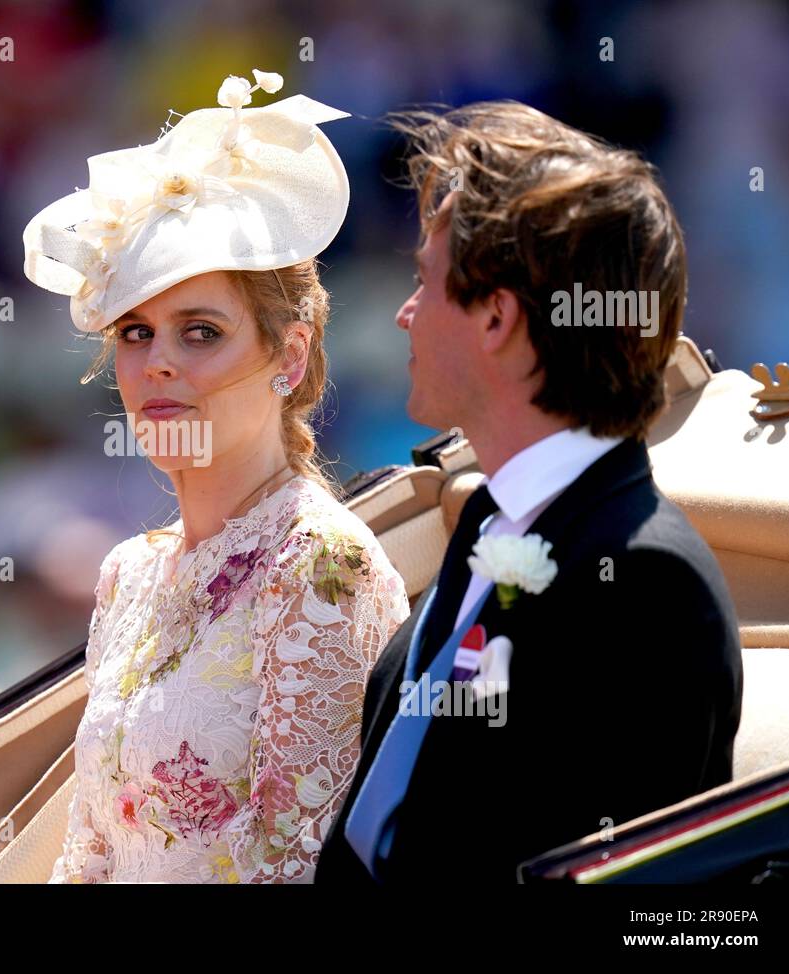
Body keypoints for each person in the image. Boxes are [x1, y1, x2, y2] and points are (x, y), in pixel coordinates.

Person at [315, 101, 744, 884]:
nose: (405, 315)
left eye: (425, 283)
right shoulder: (491, 522)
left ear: (496, 319)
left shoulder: (644, 582)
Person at [23, 70, 410, 883]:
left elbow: (291, 869)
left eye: (200, 332)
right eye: (135, 333)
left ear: (290, 354)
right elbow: (88, 854)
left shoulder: (320, 565)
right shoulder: (127, 575)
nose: (158, 362)